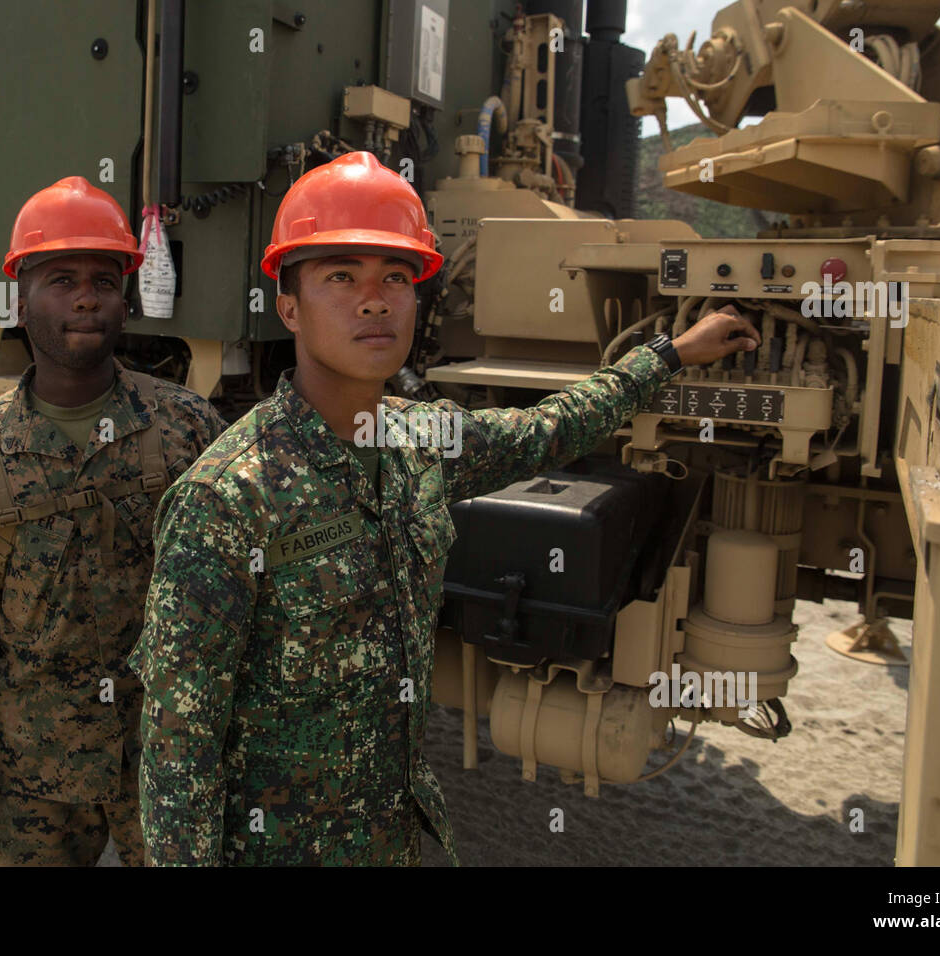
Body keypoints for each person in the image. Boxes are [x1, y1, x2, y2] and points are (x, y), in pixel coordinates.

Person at [129, 151, 759, 865]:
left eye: (396, 278)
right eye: (342, 276)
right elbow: (181, 739)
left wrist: (668, 356)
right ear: (289, 308)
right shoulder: (230, 496)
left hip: (392, 838)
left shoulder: (416, 437)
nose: (375, 300)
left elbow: (545, 430)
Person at [0, 176, 226, 866]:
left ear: (125, 298)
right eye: (60, 279)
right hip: (30, 773)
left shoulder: (186, 429)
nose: (86, 296)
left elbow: (233, 608)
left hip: (162, 760)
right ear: (19, 301)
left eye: (104, 280)